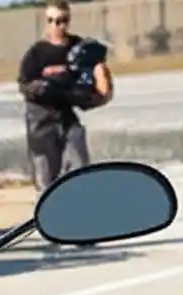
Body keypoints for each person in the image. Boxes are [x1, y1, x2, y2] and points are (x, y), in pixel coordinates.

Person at [18, 0, 113, 190]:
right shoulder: (36, 53)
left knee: (80, 165)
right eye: (51, 21)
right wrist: (44, 87)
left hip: (66, 115)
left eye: (62, 21)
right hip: (41, 119)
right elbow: (24, 84)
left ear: (68, 20)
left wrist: (99, 89)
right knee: (46, 180)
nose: (57, 26)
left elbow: (96, 79)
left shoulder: (80, 48)